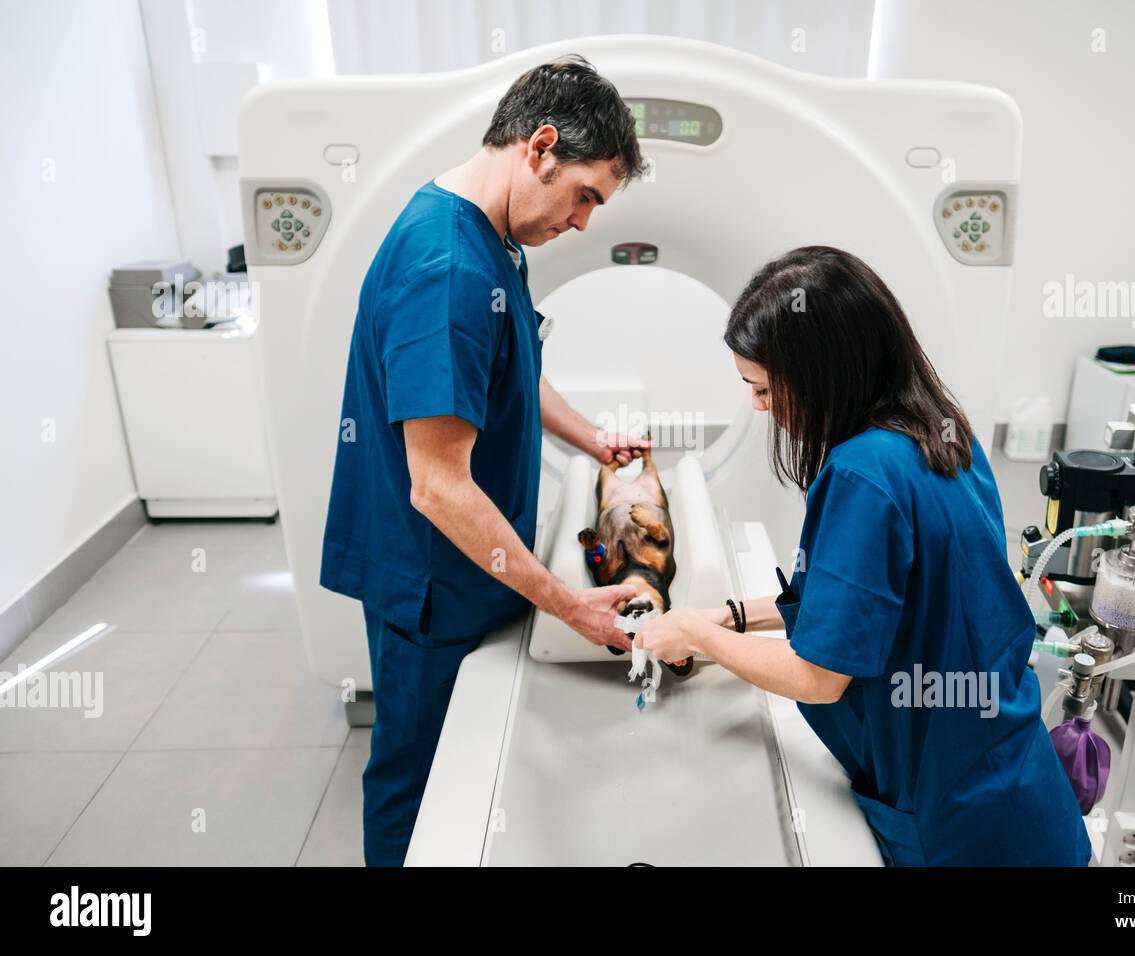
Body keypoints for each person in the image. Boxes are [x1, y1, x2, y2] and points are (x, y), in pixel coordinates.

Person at [638, 246, 1092, 866]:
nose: (758, 406)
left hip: (957, 823)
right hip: (1016, 784)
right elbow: (868, 600)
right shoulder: (939, 432)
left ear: (822, 372)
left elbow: (819, 680)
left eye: (764, 388)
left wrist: (693, 630)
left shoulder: (860, 475)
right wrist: (734, 616)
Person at [320, 56, 649, 866]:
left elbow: (513, 372)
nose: (582, 223)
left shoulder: (494, 234)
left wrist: (594, 441)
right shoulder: (451, 269)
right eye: (585, 197)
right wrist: (568, 606)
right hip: (432, 575)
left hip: (468, 567)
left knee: (468, 764)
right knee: (420, 774)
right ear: (540, 147)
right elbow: (436, 487)